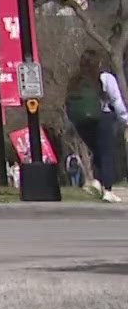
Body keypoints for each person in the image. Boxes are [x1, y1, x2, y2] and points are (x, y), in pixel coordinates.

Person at [64, 49, 124, 202]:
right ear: (99, 62)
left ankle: (97, 182)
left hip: (82, 123)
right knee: (107, 153)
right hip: (102, 118)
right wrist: (125, 118)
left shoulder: (75, 81)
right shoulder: (105, 78)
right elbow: (116, 100)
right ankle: (108, 189)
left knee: (97, 151)